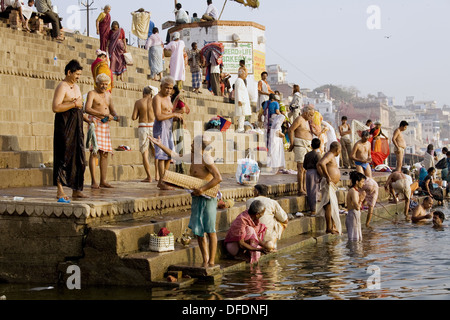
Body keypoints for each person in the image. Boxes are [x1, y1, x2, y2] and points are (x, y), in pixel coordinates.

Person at [150, 134, 222, 267]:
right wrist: (159, 144)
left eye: (194, 143)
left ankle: (211, 262)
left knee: (210, 230)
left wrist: (202, 189)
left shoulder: (206, 158)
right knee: (198, 231)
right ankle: (205, 260)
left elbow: (218, 178)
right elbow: (175, 155)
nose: (191, 145)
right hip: (196, 196)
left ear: (200, 146)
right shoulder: (194, 157)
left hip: (208, 197)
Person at [52, 60, 87, 201]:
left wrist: (85, 117)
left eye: (79, 74)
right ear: (69, 72)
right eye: (76, 74)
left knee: (79, 157)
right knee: (63, 156)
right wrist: (73, 104)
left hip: (77, 126)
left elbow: (78, 106)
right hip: (64, 126)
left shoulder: (76, 87)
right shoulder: (62, 86)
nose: (78, 76)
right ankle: (60, 190)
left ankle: (76, 189)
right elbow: (55, 107)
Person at [84, 73, 119, 189]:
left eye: (106, 84)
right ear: (96, 84)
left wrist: (116, 116)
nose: (104, 86)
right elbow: (87, 109)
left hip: (105, 125)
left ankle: (103, 180)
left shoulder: (108, 95)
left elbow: (112, 110)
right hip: (95, 124)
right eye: (102, 84)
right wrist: (102, 114)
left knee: (104, 154)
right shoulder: (92, 94)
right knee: (94, 152)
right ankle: (94, 181)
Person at [152, 76, 183, 190]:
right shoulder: (157, 98)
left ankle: (164, 179)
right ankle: (161, 181)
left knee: (168, 155)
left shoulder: (169, 98)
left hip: (168, 127)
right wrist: (174, 115)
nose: (169, 90)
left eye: (170, 88)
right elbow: (159, 116)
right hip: (160, 128)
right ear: (161, 87)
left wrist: (177, 118)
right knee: (161, 155)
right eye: (166, 88)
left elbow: (168, 114)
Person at [225, 200, 272, 264]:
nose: (263, 215)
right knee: (250, 230)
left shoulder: (252, 217)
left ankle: (249, 253)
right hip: (233, 247)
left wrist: (264, 246)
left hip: (243, 244)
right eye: (262, 213)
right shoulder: (242, 220)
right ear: (257, 214)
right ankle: (240, 254)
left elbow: (255, 236)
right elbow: (241, 243)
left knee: (260, 228)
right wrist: (258, 249)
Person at [246, 185, 288, 250]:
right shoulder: (272, 202)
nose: (253, 192)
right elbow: (285, 220)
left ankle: (270, 243)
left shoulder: (249, 201)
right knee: (283, 223)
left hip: (253, 234)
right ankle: (273, 242)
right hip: (264, 235)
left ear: (257, 192)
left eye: (254, 191)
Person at [132, 86, 158, 183]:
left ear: (143, 93)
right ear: (151, 94)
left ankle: (149, 177)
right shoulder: (155, 102)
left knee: (144, 153)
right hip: (153, 126)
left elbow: (134, 117)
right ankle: (157, 175)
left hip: (143, 127)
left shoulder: (138, 102)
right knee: (156, 153)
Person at [288, 106, 315, 195]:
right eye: (310, 115)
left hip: (307, 145)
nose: (311, 117)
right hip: (300, 144)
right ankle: (300, 189)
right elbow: (291, 130)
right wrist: (292, 143)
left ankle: (304, 187)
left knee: (305, 169)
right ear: (305, 113)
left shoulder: (307, 121)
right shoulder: (299, 119)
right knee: (300, 167)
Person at [317, 141, 342, 234]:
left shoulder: (331, 155)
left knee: (331, 205)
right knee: (328, 206)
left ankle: (332, 226)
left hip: (331, 185)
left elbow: (318, 164)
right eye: (340, 149)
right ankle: (329, 228)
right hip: (328, 184)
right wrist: (326, 176)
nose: (340, 151)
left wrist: (323, 175)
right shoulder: (330, 155)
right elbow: (321, 163)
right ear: (337, 149)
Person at [171, 85, 190, 174]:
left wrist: (173, 113)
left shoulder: (178, 99)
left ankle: (180, 168)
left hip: (176, 124)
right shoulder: (172, 99)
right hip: (173, 123)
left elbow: (182, 109)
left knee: (178, 144)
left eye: (171, 89)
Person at [303, 138, 322, 215]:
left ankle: (312, 209)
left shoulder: (307, 154)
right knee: (314, 191)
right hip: (315, 173)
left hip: (308, 173)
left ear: (311, 145)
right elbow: (319, 166)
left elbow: (304, 165)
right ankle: (313, 210)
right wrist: (321, 175)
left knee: (309, 191)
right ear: (319, 145)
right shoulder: (318, 155)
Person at [346, 171, 366, 241]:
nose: (363, 184)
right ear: (357, 182)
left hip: (355, 216)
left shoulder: (356, 191)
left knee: (358, 239)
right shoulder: (353, 191)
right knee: (354, 240)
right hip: (353, 216)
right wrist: (361, 199)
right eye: (362, 182)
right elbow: (357, 207)